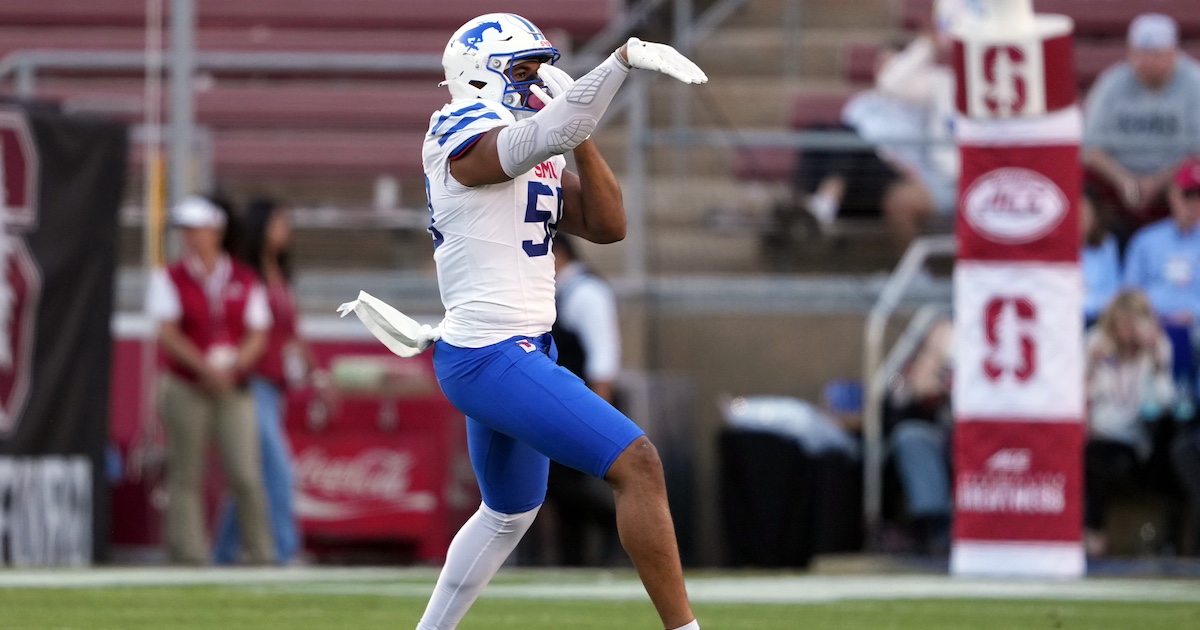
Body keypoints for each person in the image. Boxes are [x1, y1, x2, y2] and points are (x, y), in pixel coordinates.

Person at [415, 13, 705, 630]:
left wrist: (582, 137)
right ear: (481, 74)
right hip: (490, 352)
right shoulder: (456, 129)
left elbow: (607, 224)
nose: (537, 82)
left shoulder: (536, 145)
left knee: (509, 513)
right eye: (524, 70)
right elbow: (528, 143)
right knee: (638, 463)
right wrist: (617, 64)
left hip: (523, 346)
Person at [144, 195, 275, 565]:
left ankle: (262, 554)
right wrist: (205, 368)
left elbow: (258, 333)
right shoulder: (169, 277)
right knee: (186, 473)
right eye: (186, 230)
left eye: (196, 229)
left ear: (216, 231)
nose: (190, 237)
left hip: (232, 385)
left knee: (246, 474)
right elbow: (168, 333)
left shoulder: (243, 277)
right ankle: (190, 556)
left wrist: (233, 368)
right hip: (187, 384)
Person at [213, 198, 322, 565]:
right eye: (279, 224)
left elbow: (294, 332)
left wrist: (316, 373)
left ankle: (223, 554)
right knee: (278, 469)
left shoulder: (280, 276)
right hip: (252, 384)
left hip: (276, 387)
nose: (285, 231)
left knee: (251, 475)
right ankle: (283, 550)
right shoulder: (245, 276)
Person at [1083, 13, 1200, 237]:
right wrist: (1124, 180)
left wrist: (1157, 183)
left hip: (1177, 179)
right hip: (1118, 181)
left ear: (1174, 53)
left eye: (1156, 55)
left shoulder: (1194, 83)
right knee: (1083, 177)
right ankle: (1096, 246)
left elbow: (1197, 152)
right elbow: (1090, 148)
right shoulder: (1112, 83)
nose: (1147, 62)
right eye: (1140, 54)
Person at [543, 234, 622, 566]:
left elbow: (604, 357)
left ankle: (620, 526)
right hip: (561, 407)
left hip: (584, 405)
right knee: (559, 487)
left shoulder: (586, 292)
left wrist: (598, 414)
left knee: (560, 484)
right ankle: (571, 561)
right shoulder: (559, 294)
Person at [1084, 290, 1175, 557]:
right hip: (1096, 434)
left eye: (1133, 325)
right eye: (1121, 325)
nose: (1126, 333)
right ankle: (1090, 533)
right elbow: (1078, 396)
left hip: (1134, 442)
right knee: (1090, 453)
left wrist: (1155, 360)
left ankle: (1095, 533)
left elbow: (1163, 403)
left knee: (1096, 456)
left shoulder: (1157, 346)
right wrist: (1092, 365)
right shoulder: (1095, 343)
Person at [1123, 157, 1200, 390]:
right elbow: (1129, 293)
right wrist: (1150, 317)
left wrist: (1193, 313)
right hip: (1150, 323)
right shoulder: (1146, 240)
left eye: (1199, 197)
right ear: (1173, 196)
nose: (1194, 204)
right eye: (1188, 195)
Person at [885, 317, 953, 555]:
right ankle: (935, 525)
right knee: (910, 437)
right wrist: (922, 391)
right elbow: (893, 407)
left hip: (986, 436)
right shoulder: (925, 365)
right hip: (942, 433)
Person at [1081, 186, 1122, 326]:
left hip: (1098, 321)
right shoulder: (1057, 248)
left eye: (1086, 213)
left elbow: (1113, 293)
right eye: (1075, 213)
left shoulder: (1107, 245)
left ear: (1096, 216)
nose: (1080, 219)